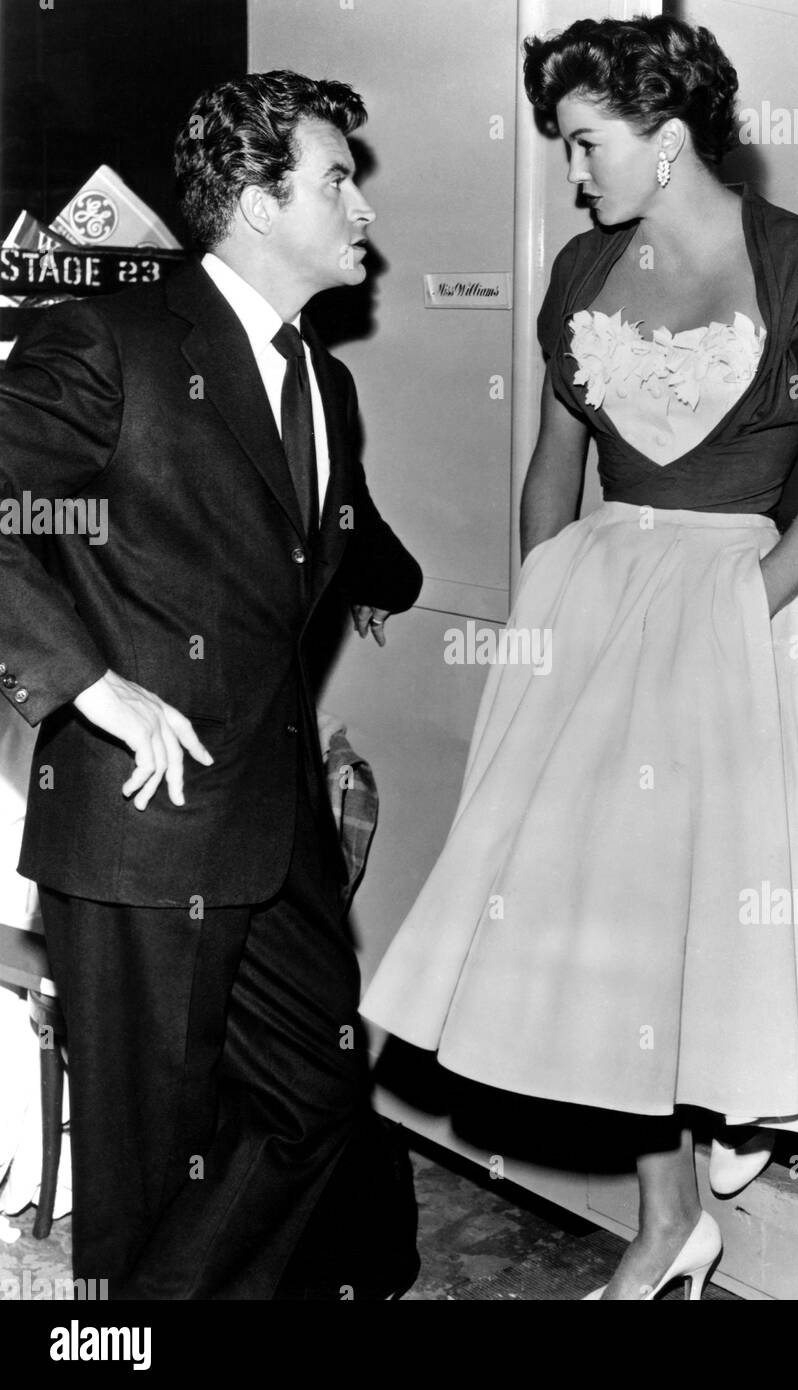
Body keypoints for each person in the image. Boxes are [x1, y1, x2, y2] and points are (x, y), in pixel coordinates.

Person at [360, 16, 798, 1301]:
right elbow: (550, 472)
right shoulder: (580, 267)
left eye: (583, 142)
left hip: (737, 601)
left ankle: (741, 1099)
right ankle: (669, 1217)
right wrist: (538, 629)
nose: (570, 170)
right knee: (608, 922)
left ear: (665, 143)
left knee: (711, 898)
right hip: (594, 607)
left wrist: (738, 611)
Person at [0, 70, 422, 1300]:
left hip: (275, 823)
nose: (362, 211)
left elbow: (332, 529)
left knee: (315, 1098)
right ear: (251, 200)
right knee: (147, 1172)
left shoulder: (321, 381)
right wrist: (86, 684)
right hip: (143, 820)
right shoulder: (115, 337)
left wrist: (411, 586)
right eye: (336, 179)